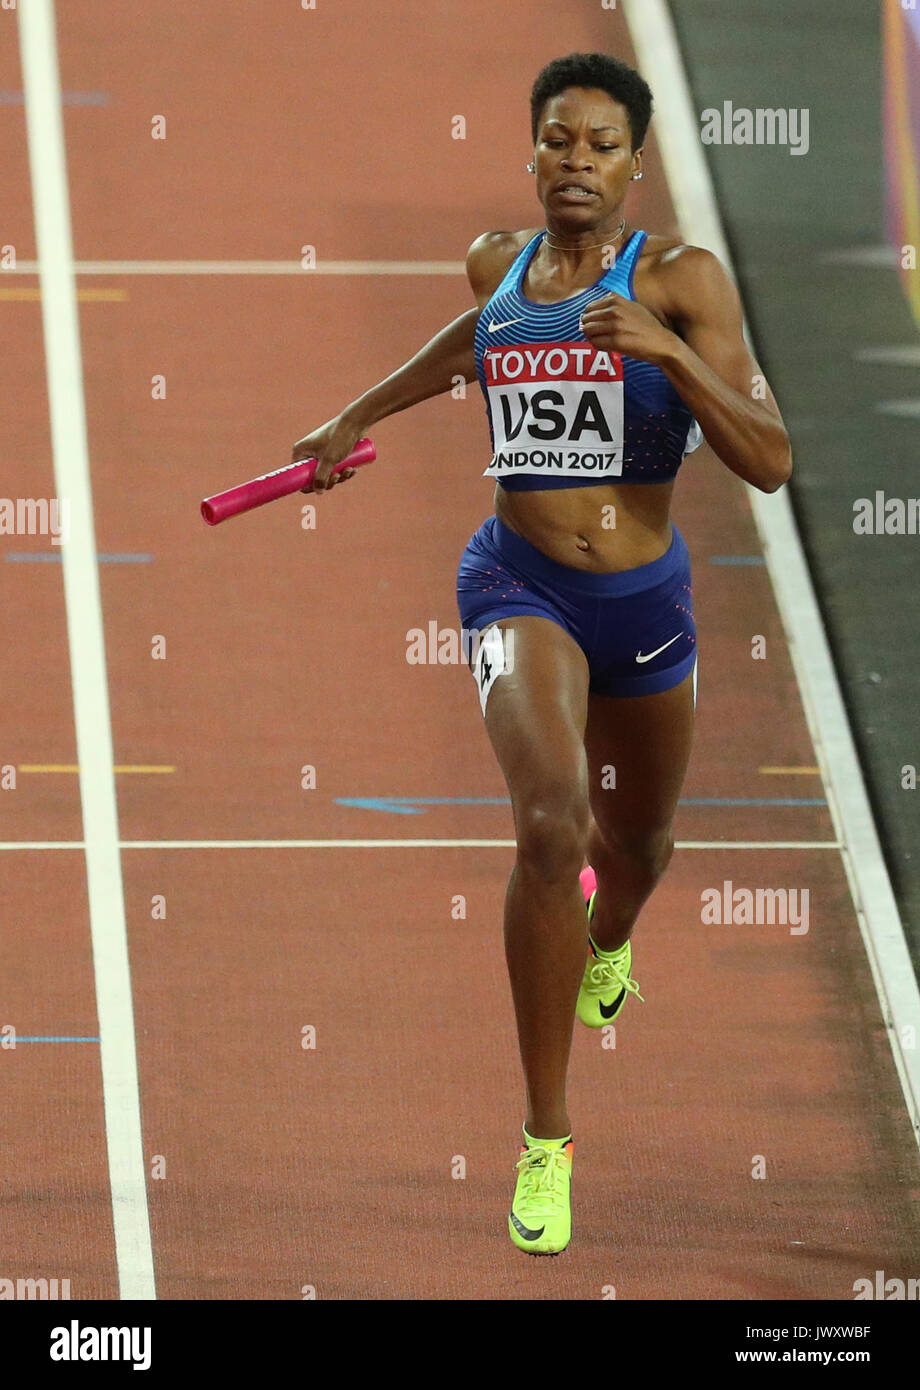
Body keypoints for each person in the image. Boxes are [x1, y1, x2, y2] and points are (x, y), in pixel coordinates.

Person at [292, 51, 792, 1257]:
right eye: (557, 141)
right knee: (551, 819)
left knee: (642, 845)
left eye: (600, 145)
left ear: (634, 163)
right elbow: (476, 336)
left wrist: (666, 355)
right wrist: (356, 411)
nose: (575, 161)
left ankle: (608, 939)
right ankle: (545, 1137)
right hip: (516, 583)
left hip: (646, 602)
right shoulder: (495, 263)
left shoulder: (680, 281)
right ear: (530, 152)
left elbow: (770, 461)